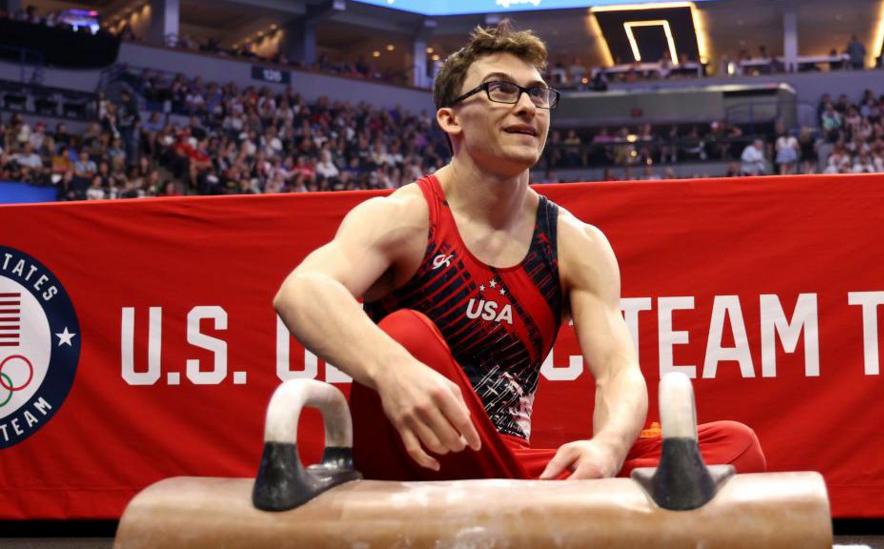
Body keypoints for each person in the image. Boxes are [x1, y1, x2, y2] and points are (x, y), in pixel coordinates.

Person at [274, 21, 765, 482]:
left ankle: (546, 501)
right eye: (501, 91)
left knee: (734, 446)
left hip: (509, 465)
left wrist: (608, 450)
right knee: (407, 334)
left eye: (536, 93)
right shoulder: (406, 216)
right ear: (450, 119)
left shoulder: (575, 242)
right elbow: (301, 291)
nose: (527, 106)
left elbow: (618, 372)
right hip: (413, 452)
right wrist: (392, 370)